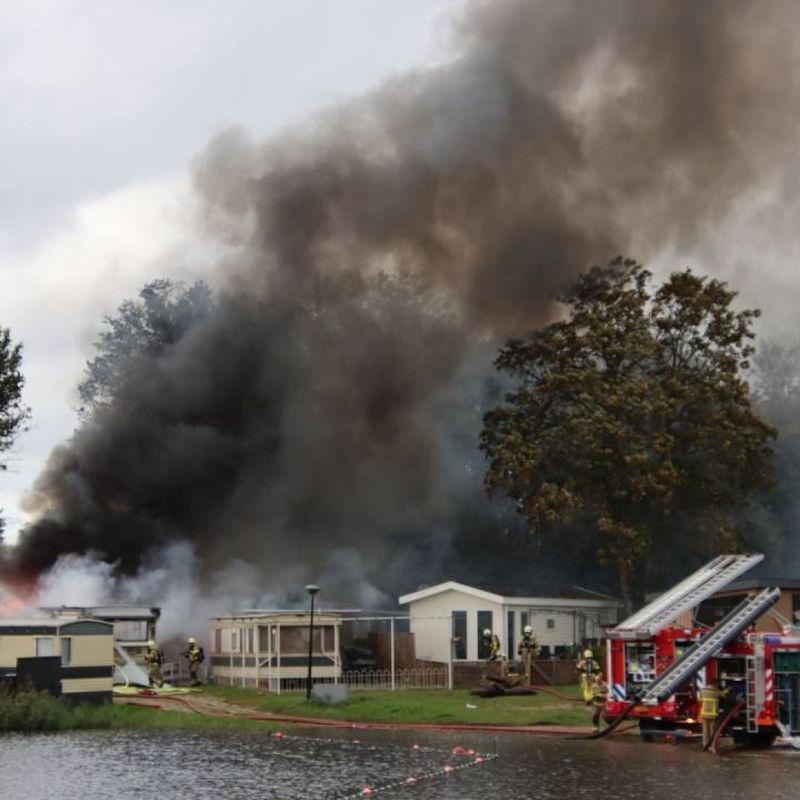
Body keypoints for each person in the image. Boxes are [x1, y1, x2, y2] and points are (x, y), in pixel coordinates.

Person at [700, 679, 723, 749]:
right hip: (713, 714)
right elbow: (723, 695)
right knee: (712, 731)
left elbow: (700, 700)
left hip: (704, 713)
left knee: (705, 731)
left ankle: (705, 744)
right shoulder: (716, 691)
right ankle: (711, 746)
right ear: (715, 684)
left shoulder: (703, 691)